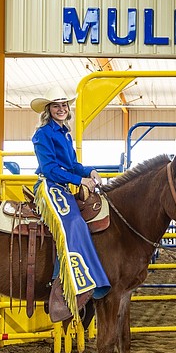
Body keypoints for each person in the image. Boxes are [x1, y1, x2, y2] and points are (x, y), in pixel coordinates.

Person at [31, 86, 109, 323]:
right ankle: (61, 283)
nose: (61, 109)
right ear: (48, 109)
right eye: (56, 105)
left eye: (64, 105)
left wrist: (89, 171)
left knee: (81, 221)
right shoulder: (43, 134)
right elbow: (50, 169)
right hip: (48, 186)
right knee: (72, 222)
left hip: (62, 187)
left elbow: (72, 164)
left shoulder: (64, 133)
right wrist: (80, 179)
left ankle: (87, 278)